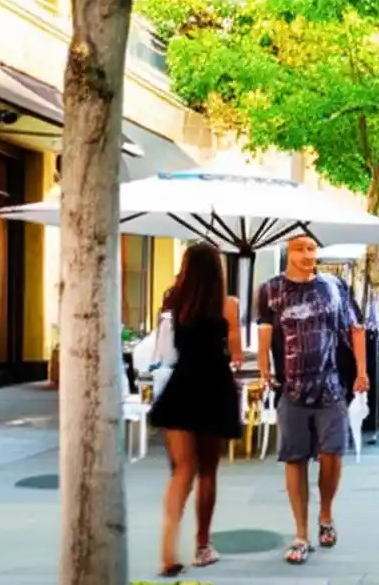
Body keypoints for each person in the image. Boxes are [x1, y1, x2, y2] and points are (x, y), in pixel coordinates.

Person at [257, 235, 368, 565]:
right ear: (287, 253)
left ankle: (326, 513)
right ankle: (301, 533)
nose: (307, 255)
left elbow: (356, 328)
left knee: (332, 453)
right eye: (300, 249)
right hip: (291, 389)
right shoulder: (270, 289)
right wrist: (264, 369)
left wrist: (362, 371)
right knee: (295, 459)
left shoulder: (333, 286)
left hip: (331, 387)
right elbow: (264, 331)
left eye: (311, 249)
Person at [149, 243, 243, 577]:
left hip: (182, 386)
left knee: (181, 471)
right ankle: (203, 545)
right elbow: (237, 354)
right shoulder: (228, 306)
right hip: (214, 388)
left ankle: (168, 549)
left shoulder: (174, 300)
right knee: (207, 471)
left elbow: (166, 346)